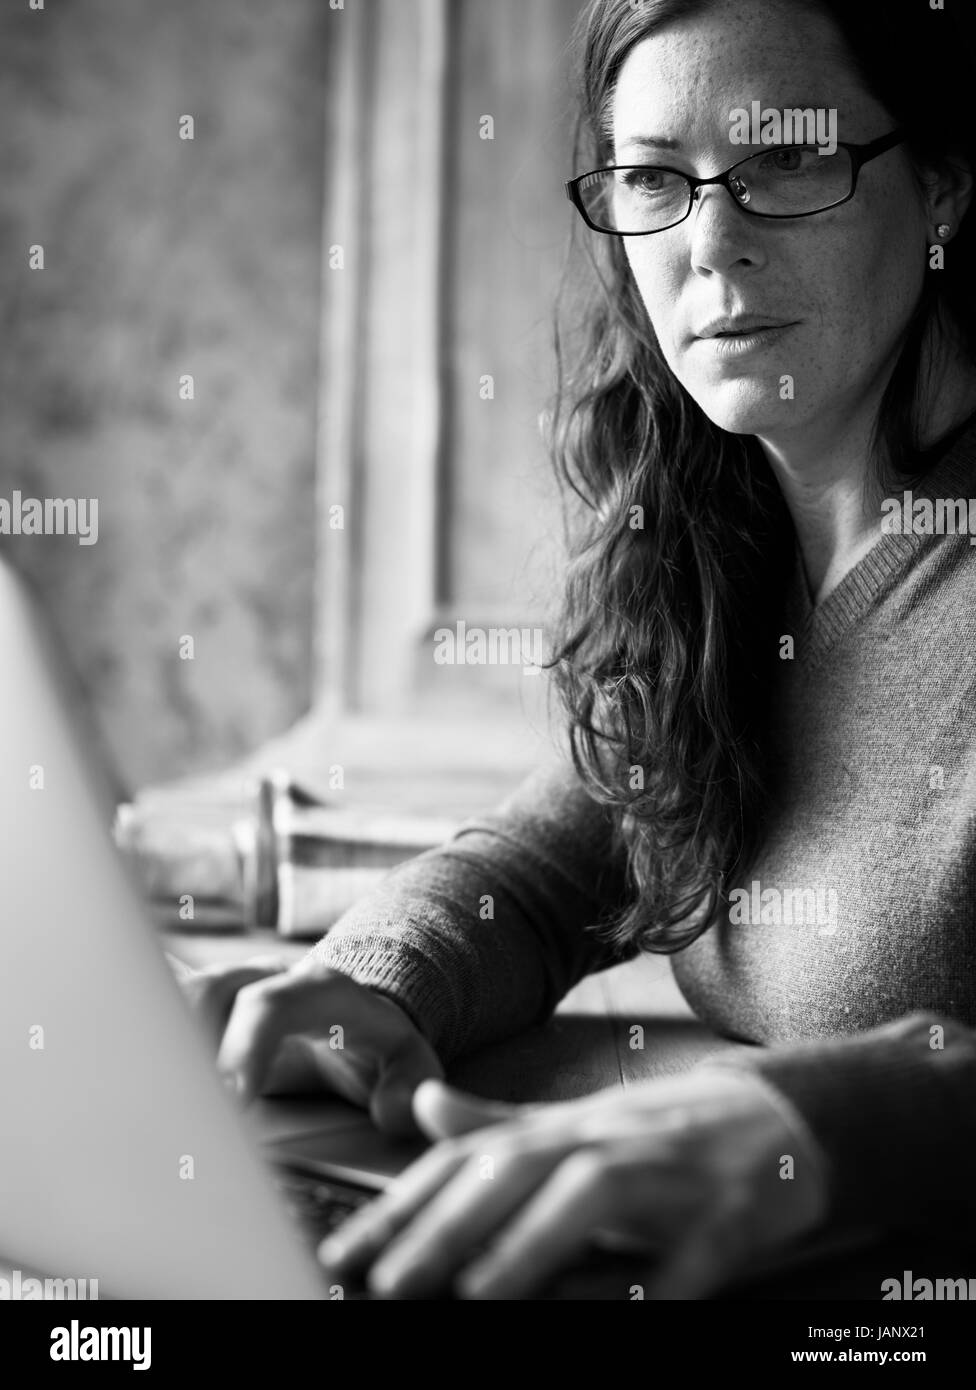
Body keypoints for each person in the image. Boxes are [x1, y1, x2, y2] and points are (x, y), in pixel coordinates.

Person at [187, 0, 976, 1299]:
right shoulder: (725, 550)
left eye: (785, 158)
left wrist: (828, 1123)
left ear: (939, 188)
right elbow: (567, 852)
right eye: (654, 178)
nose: (712, 241)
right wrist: (372, 983)